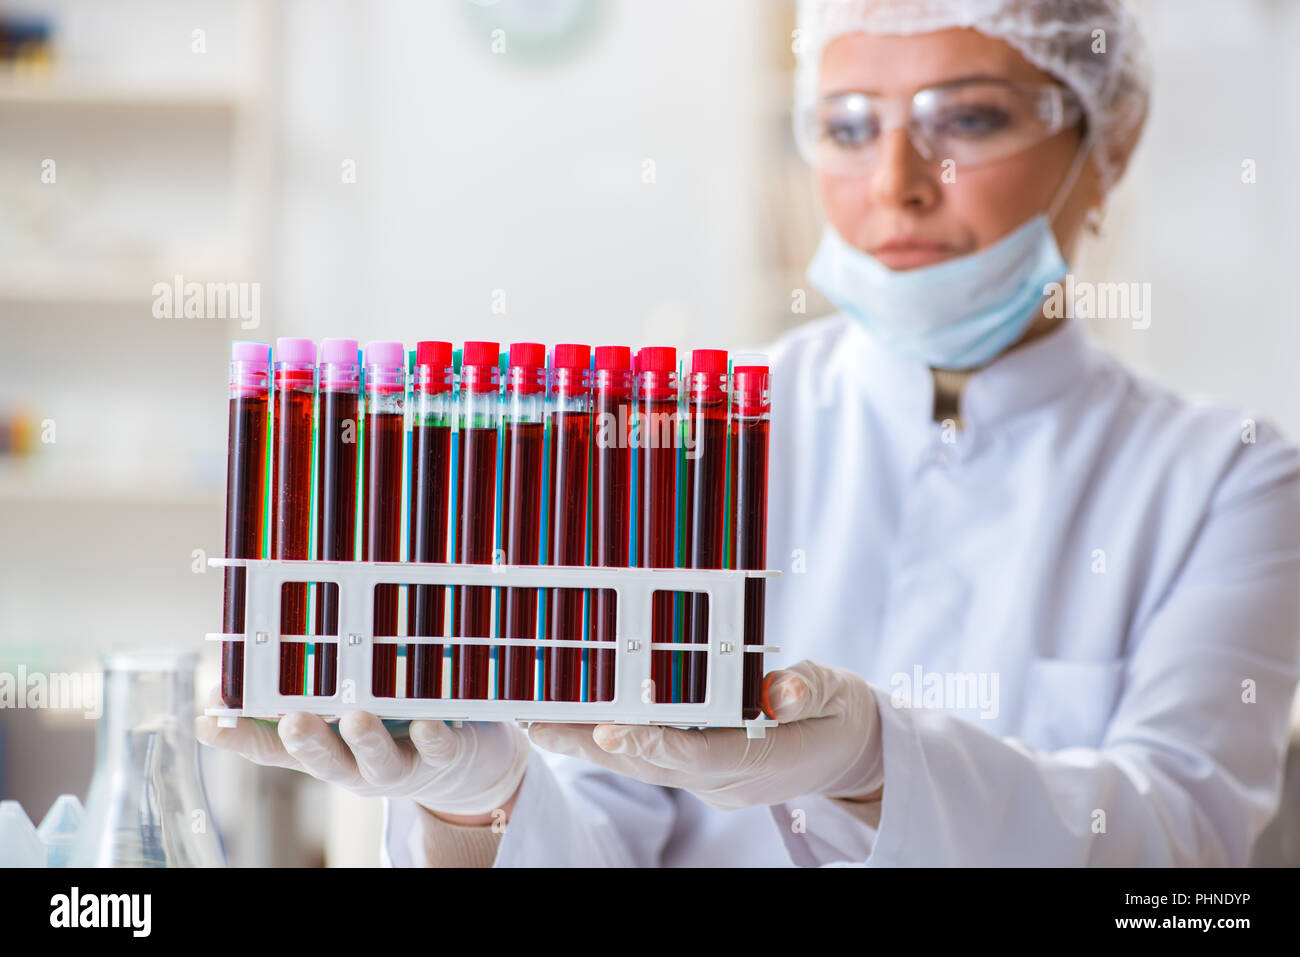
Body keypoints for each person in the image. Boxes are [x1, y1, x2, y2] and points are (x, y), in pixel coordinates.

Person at [198, 0, 1300, 866]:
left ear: (1109, 134)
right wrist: (478, 805)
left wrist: (878, 761)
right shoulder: (689, 436)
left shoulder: (1227, 477)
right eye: (846, 125)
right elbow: (600, 837)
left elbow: (1180, 858)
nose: (895, 184)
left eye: (967, 118)